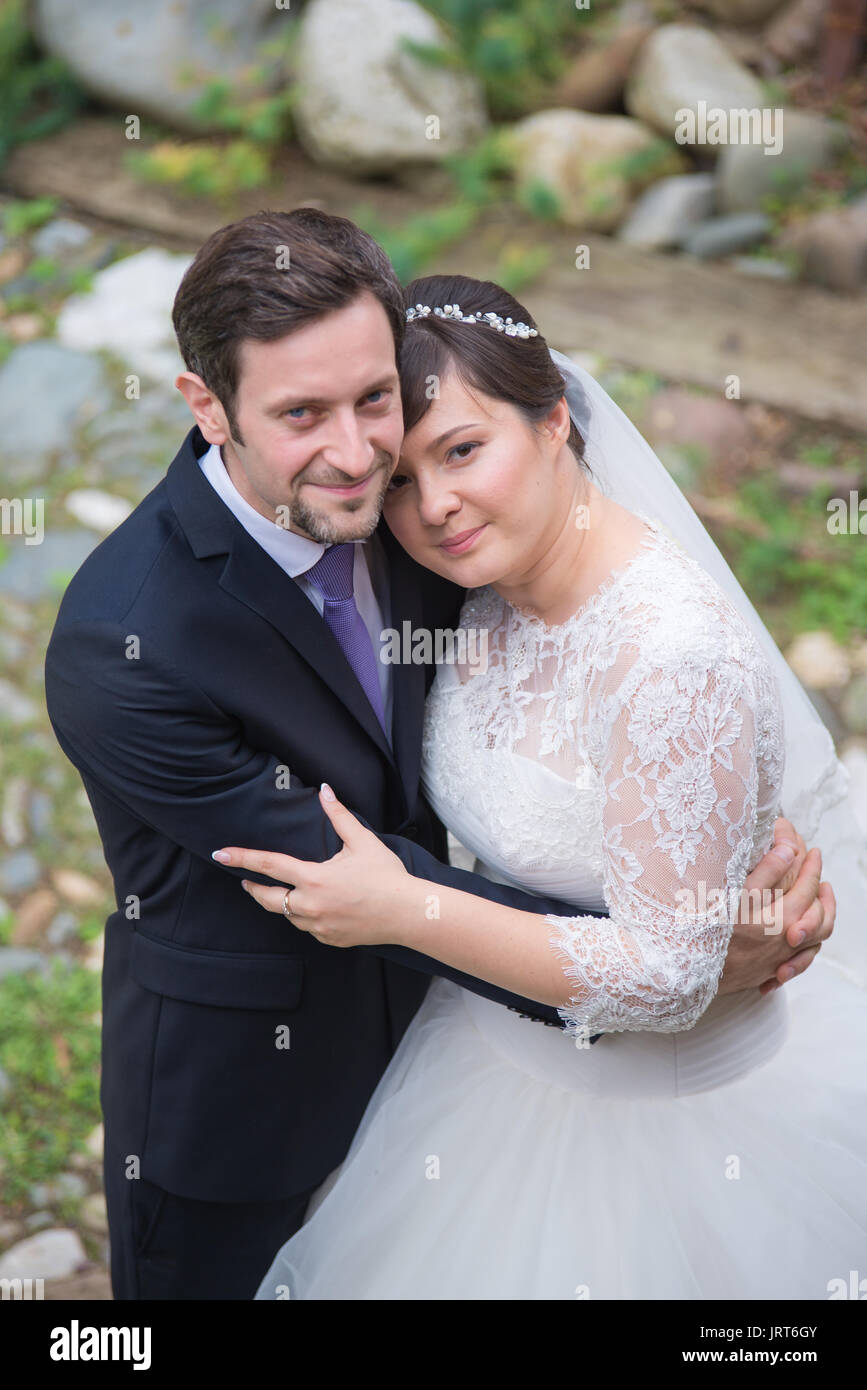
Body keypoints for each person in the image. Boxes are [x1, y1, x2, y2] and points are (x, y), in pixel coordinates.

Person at [44, 214, 830, 1301]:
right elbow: (353, 875)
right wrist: (672, 960)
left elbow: (622, 690)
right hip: (249, 1093)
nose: (363, 455)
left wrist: (716, 856)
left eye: (376, 400)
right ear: (206, 406)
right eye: (299, 414)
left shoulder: (422, 518)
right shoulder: (128, 646)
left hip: (467, 1055)